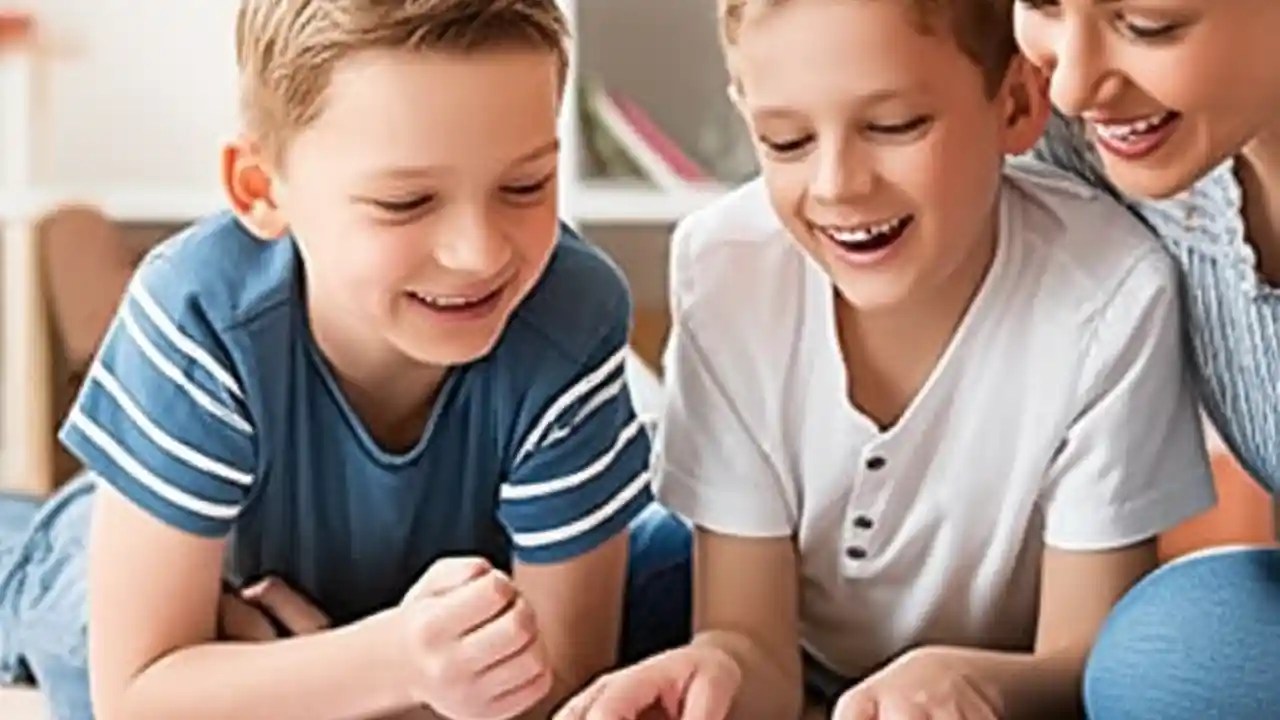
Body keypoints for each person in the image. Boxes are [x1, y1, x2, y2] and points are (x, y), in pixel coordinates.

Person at [0, 1, 691, 718]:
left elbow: (561, 681)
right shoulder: (200, 309)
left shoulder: (569, 317)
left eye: (525, 187)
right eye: (406, 201)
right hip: (147, 551)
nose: (479, 253)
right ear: (262, 189)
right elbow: (139, 694)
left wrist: (334, 675)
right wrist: (389, 665)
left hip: (386, 626)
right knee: (72, 650)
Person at [554, 0, 1219, 718]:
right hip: (800, 655)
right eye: (785, 141)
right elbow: (754, 646)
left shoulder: (1110, 295)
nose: (839, 184)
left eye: (894, 126)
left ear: (1018, 102)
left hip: (1003, 676)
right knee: (650, 573)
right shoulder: (726, 270)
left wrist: (974, 684)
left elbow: (1084, 663)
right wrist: (714, 677)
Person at [1012, 1, 1280, 718]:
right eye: (1040, 3)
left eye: (1148, 25)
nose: (1070, 85)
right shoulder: (1113, 145)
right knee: (1166, 656)